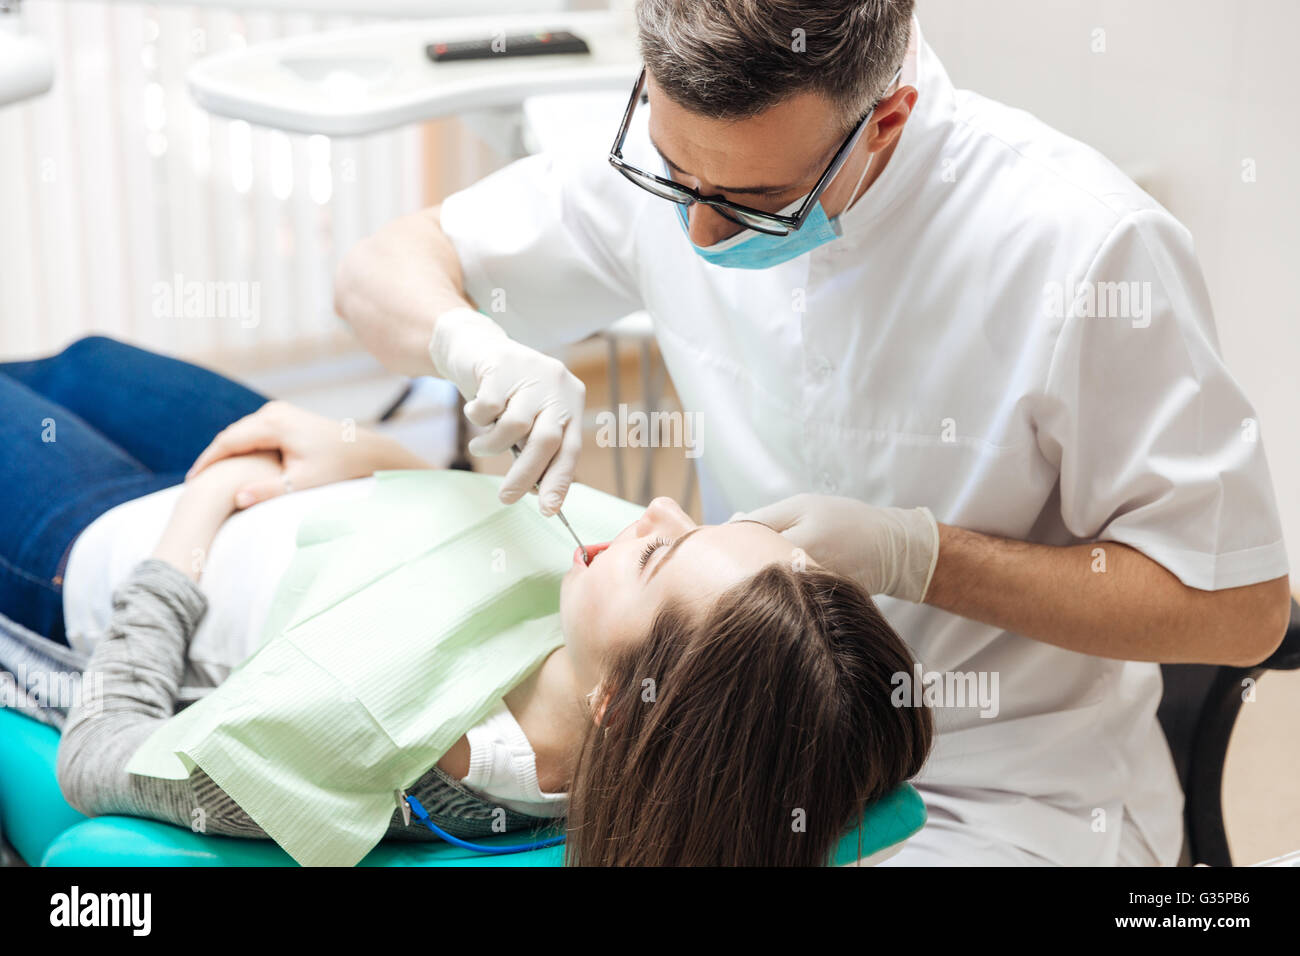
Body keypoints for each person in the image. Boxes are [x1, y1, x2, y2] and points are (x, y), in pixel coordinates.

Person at [332, 1, 1292, 865]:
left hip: (1006, 798)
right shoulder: (693, 153)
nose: (699, 234)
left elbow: (1240, 613)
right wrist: (472, 348)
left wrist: (918, 557)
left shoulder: (1085, 247)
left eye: (755, 202)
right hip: (739, 767)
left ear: (886, 121)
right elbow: (377, 272)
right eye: (675, 175)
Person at [0, 336, 932, 866]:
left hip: (121, 538)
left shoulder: (377, 749)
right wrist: (369, 451)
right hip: (327, 480)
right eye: (691, 522)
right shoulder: (633, 696)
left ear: (620, 701)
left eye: (662, 556)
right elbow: (460, 555)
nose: (652, 508)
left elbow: (96, 759)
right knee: (84, 364)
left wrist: (195, 520)